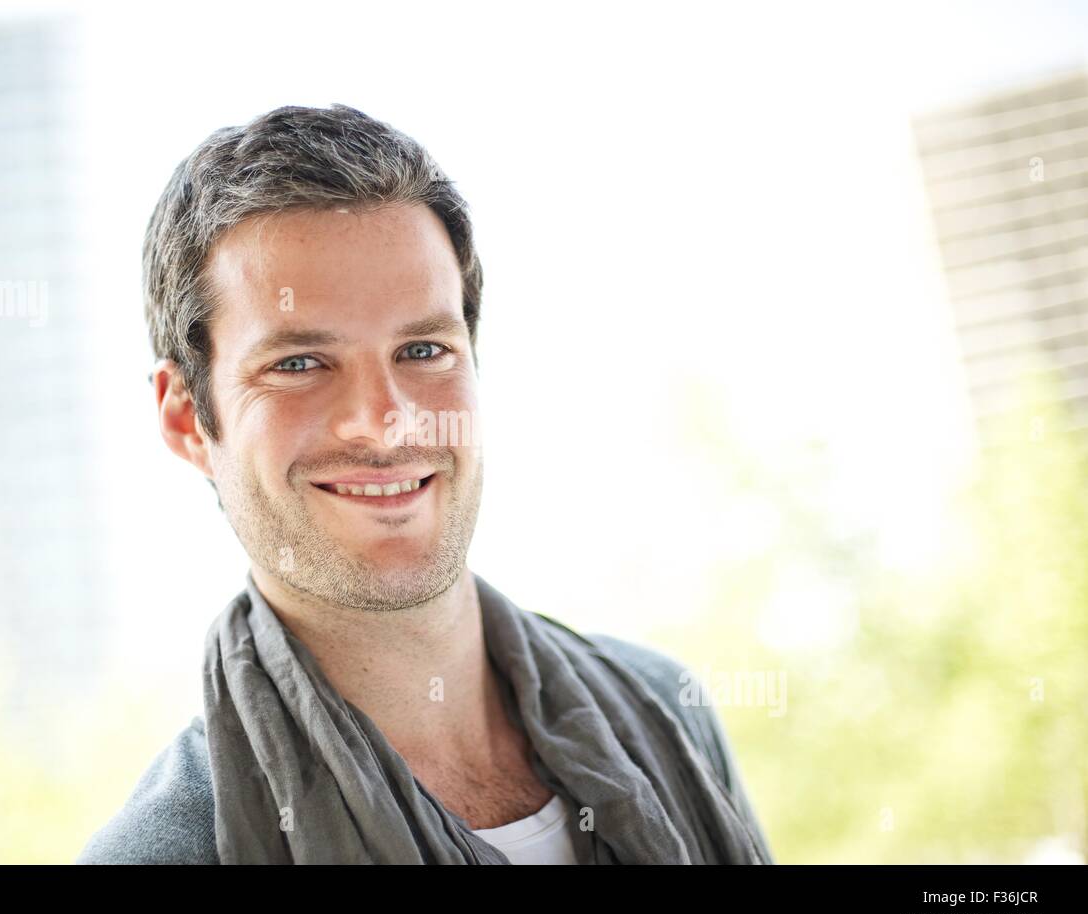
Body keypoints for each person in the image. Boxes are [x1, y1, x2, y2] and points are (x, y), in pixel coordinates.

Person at [76, 104, 773, 864]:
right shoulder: (166, 852)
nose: (387, 422)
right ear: (185, 418)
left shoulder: (665, 711)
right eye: (299, 364)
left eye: (422, 349)